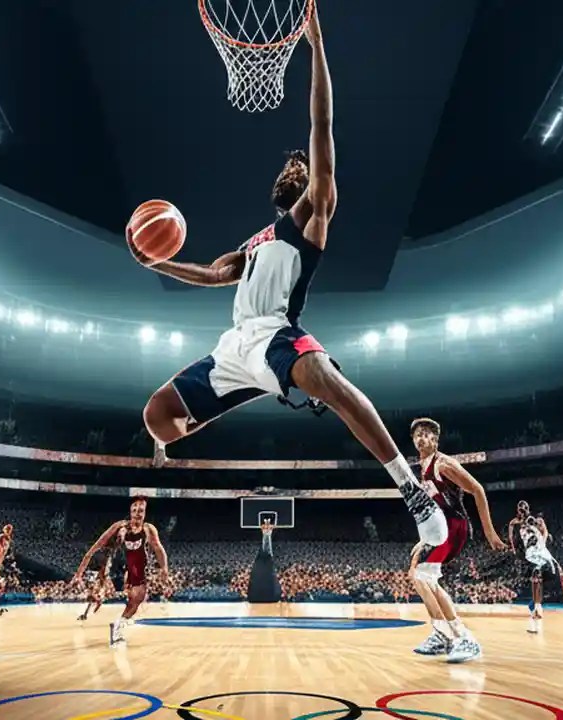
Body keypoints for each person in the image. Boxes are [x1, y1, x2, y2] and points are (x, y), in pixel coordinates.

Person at [130, 5, 447, 550]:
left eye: (302, 166)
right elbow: (211, 273)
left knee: (331, 383)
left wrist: (317, 47)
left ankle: (411, 490)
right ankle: (257, 387)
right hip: (236, 347)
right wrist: (156, 262)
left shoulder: (312, 213)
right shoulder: (256, 239)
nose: (294, 167)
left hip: (278, 333)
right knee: (158, 420)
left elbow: (321, 125)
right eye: (289, 166)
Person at [407, 418, 507, 663]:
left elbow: (478, 489)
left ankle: (458, 637)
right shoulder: (423, 467)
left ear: (436, 440)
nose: (422, 438)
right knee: (426, 579)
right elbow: (432, 508)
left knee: (419, 576)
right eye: (418, 434)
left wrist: (490, 532)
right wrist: (424, 540)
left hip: (454, 526)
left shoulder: (443, 464)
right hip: (438, 528)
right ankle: (449, 634)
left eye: (428, 434)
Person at [72, 497, 170, 646]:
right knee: (126, 596)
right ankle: (115, 626)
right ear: (130, 512)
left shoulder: (149, 529)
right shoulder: (119, 526)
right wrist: (79, 573)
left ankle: (119, 621)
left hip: (136, 568)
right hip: (119, 565)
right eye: (134, 510)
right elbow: (95, 547)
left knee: (137, 599)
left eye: (141, 510)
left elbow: (159, 550)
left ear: (145, 513)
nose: (137, 513)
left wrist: (164, 570)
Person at [508, 500, 563, 633]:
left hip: (541, 548)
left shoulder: (537, 520)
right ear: (517, 510)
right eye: (520, 508)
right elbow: (511, 535)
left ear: (528, 508)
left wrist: (543, 543)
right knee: (538, 572)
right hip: (531, 550)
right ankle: (537, 608)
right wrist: (513, 548)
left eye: (525, 507)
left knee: (558, 571)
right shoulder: (514, 522)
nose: (522, 510)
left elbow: (545, 532)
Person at [77, 538, 117, 622]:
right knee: (94, 597)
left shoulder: (105, 564)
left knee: (94, 596)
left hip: (102, 577)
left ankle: (86, 614)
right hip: (102, 577)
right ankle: (86, 614)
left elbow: (104, 569)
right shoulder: (106, 563)